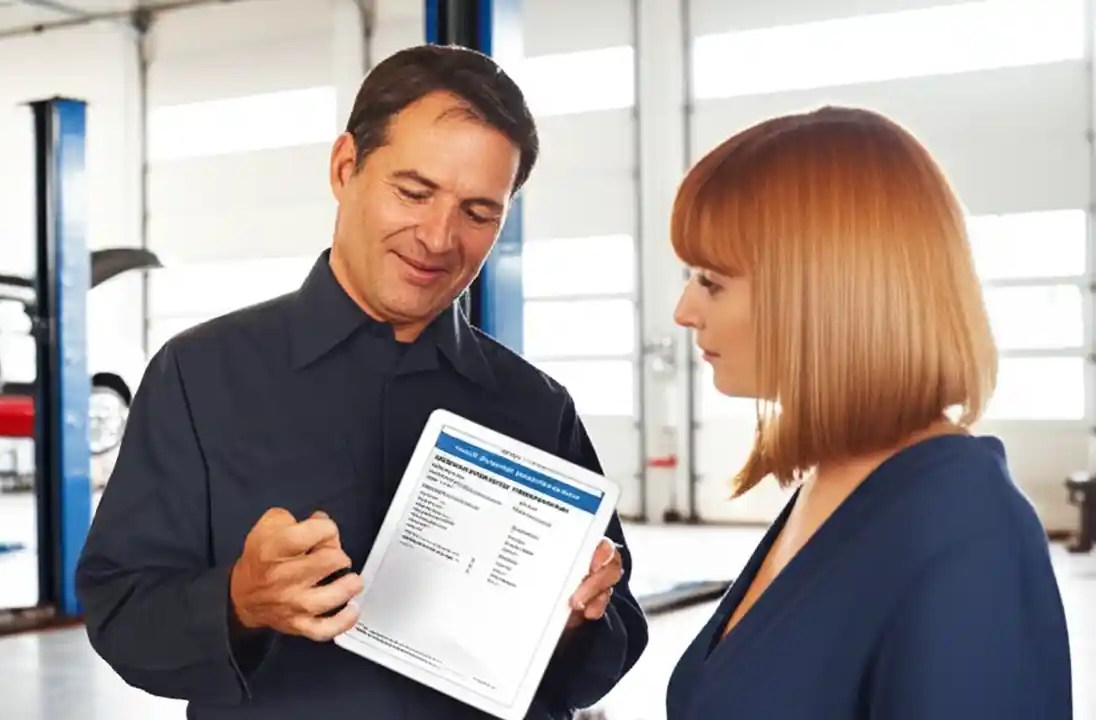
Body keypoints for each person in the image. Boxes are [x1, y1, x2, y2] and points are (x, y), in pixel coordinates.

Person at [75, 44, 648, 720]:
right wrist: (237, 602)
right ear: (345, 167)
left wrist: (575, 621)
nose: (438, 238)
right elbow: (121, 612)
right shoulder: (200, 375)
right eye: (414, 192)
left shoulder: (535, 405)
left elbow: (613, 633)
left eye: (478, 212)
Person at [663, 107, 1073, 719]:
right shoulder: (834, 480)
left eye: (711, 282)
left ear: (823, 293)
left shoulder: (963, 527)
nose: (684, 311)